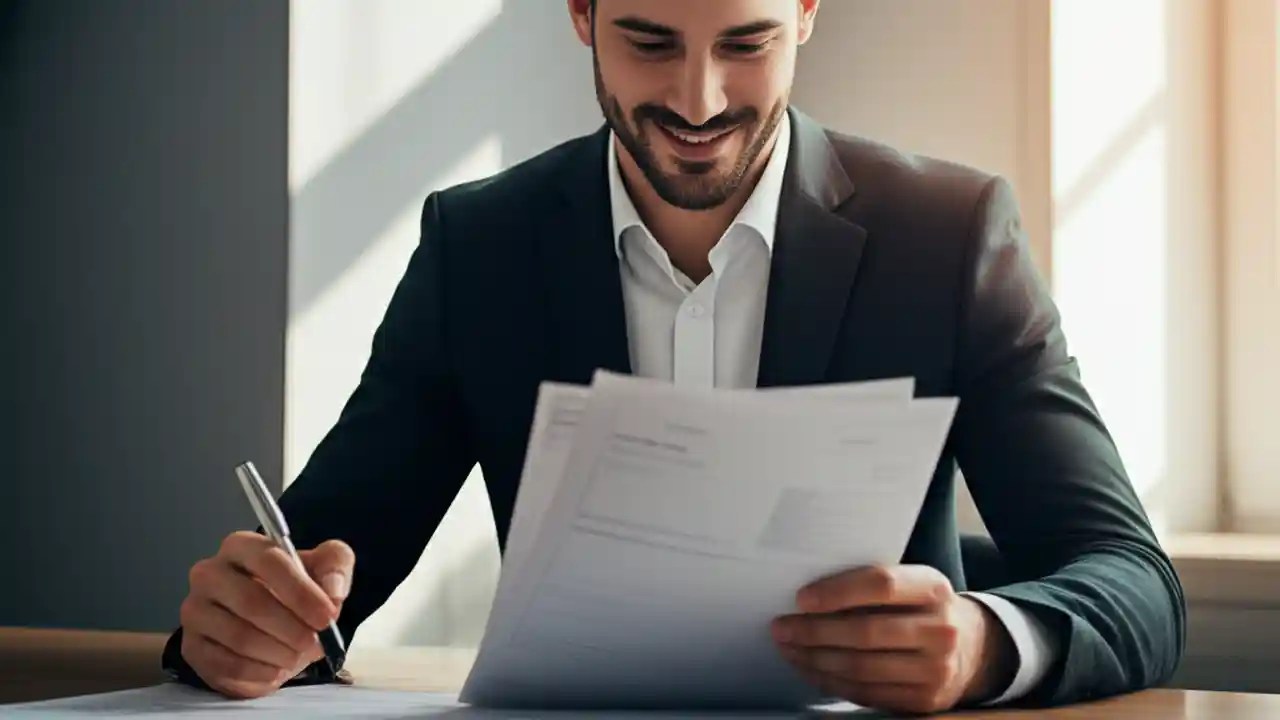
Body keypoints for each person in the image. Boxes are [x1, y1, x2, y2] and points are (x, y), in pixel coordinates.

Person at [161, 0, 1185, 714]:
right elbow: (312, 580)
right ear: (580, 14)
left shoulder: (949, 236)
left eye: (746, 44)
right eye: (649, 43)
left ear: (808, 11)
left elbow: (1133, 583)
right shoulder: (478, 249)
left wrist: (979, 645)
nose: (698, 101)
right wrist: (237, 632)